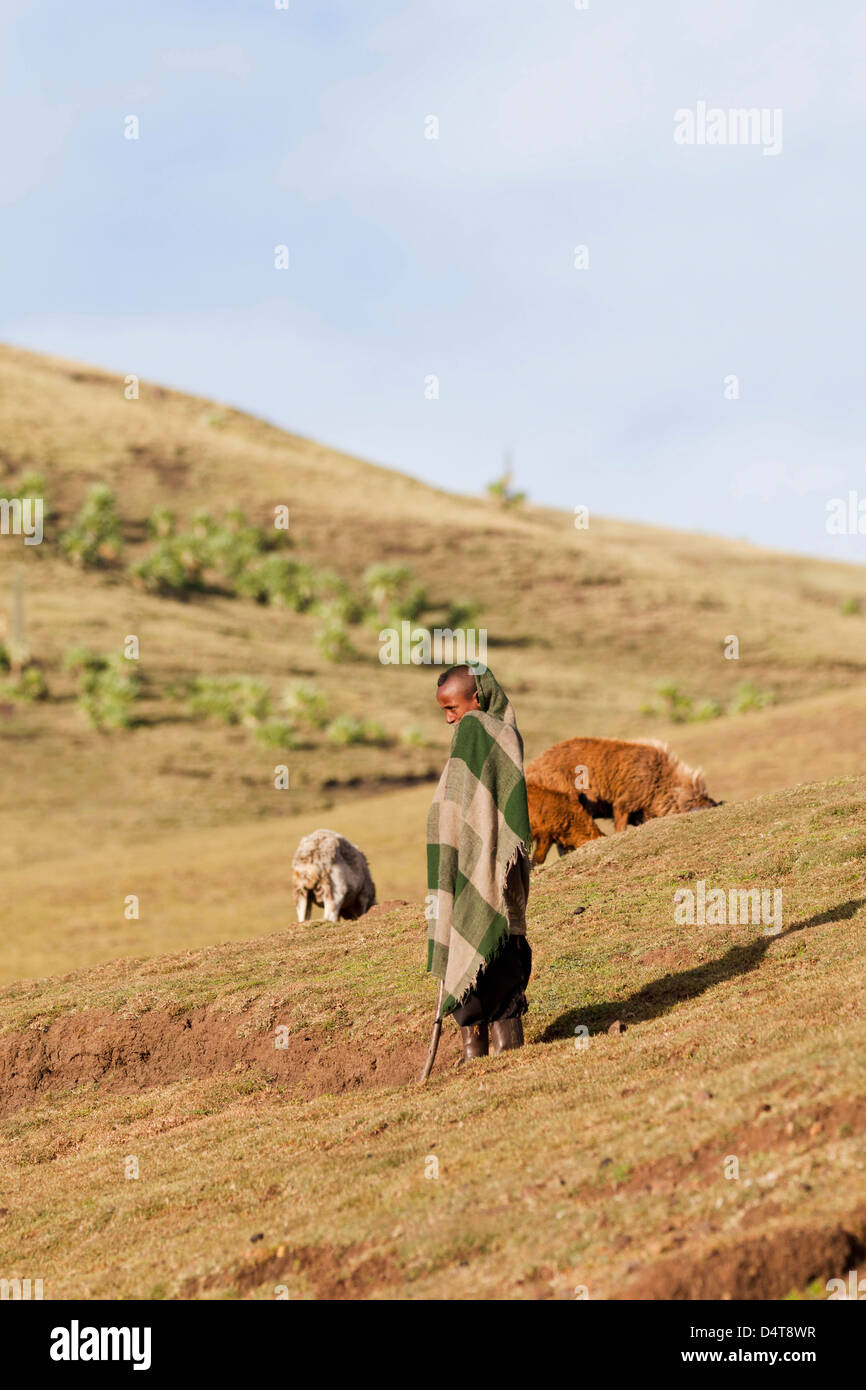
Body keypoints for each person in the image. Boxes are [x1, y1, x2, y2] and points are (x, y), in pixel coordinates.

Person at [426, 662, 533, 1059]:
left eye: (453, 707)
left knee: (477, 960)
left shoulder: (478, 730)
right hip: (490, 873)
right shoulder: (503, 735)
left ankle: (478, 1056)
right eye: (444, 711)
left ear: (478, 698)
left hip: (481, 867)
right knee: (504, 962)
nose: (450, 718)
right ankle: (508, 1050)